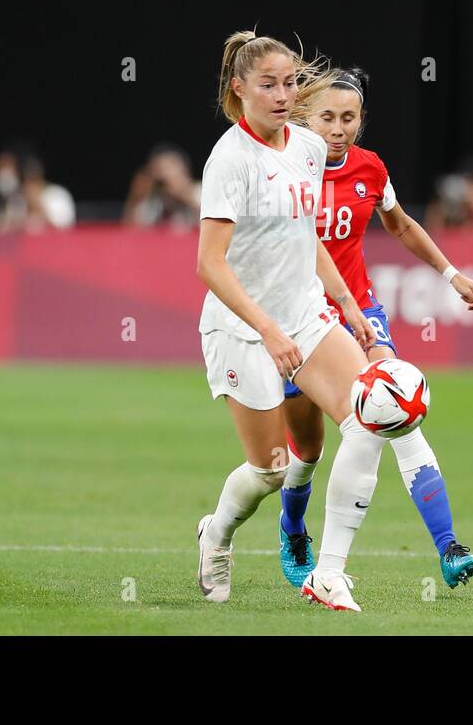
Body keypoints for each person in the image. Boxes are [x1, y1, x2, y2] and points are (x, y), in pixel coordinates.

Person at [278, 66, 473, 591]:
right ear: (306, 116)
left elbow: (400, 225)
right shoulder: (284, 166)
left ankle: (449, 547)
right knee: (305, 451)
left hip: (360, 316)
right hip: (297, 320)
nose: (337, 128)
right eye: (326, 117)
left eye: (348, 118)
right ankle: (292, 527)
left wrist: (451, 273)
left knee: (397, 410)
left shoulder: (370, 170)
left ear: (360, 121)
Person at [195, 30, 385, 612]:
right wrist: (269, 332)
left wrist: (348, 303)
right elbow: (210, 264)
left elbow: (307, 236)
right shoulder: (230, 160)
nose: (283, 95)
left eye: (291, 83)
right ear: (240, 89)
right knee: (271, 471)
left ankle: (329, 572)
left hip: (305, 311)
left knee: (370, 416)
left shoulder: (305, 146)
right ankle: (217, 534)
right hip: (241, 329)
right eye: (268, 84)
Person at [0, 148, 76, 233]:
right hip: (26, 246)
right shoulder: (17, 199)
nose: (30, 185)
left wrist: (38, 207)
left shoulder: (57, 195)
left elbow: (66, 228)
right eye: (27, 180)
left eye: (34, 179)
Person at [123, 144, 201, 229]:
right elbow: (131, 229)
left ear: (185, 170)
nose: (165, 174)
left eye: (170, 167)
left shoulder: (201, 191)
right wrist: (137, 193)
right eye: (160, 169)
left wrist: (183, 193)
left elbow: (210, 221)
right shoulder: (156, 200)